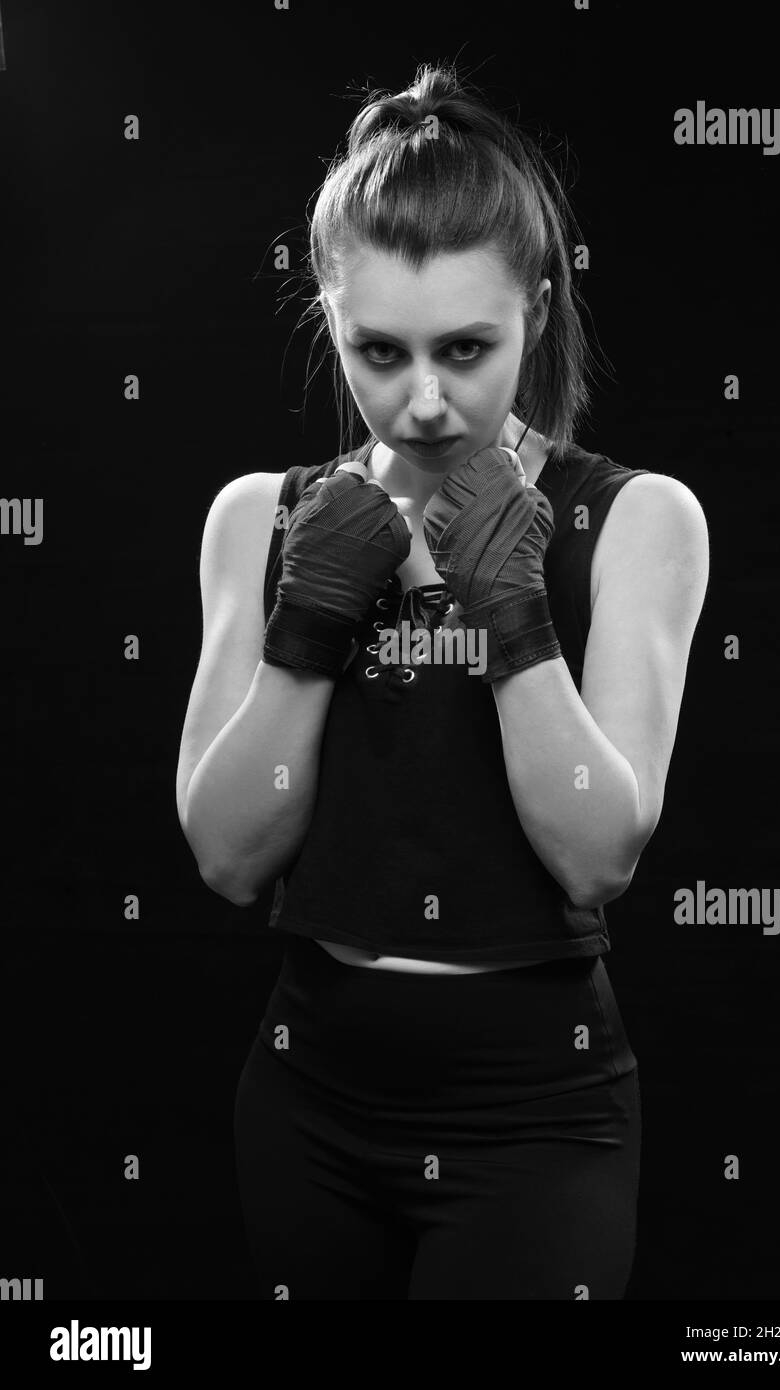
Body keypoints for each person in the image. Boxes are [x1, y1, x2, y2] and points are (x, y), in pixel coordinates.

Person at [176, 62, 710, 1300]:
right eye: (377, 351)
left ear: (535, 303)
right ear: (326, 315)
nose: (422, 402)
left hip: (535, 1109)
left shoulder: (633, 520)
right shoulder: (258, 517)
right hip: (307, 1096)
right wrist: (308, 617)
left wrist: (512, 615)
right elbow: (227, 856)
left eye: (466, 349)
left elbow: (596, 858)